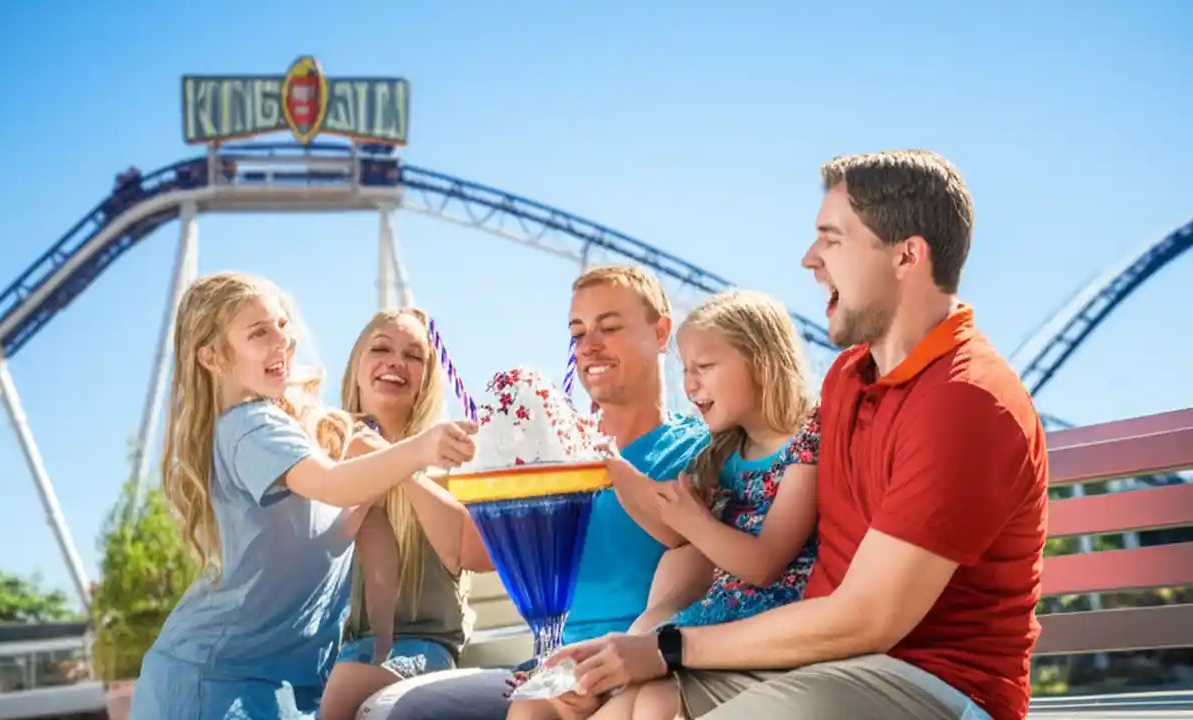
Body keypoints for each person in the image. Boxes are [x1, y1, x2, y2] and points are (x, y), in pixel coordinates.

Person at [546, 150, 1048, 720]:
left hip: (927, 683)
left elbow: (869, 618)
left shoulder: (966, 401)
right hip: (826, 665)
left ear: (907, 255)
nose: (809, 260)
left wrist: (666, 647)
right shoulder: (848, 380)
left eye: (831, 240)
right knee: (634, 705)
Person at [353, 265, 710, 720]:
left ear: (661, 333)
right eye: (578, 333)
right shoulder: (556, 454)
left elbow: (694, 556)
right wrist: (400, 462)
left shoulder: (696, 450)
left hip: (648, 666)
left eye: (610, 327)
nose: (589, 346)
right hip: (552, 672)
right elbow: (473, 547)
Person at [129, 272, 478, 719]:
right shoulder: (251, 425)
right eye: (259, 332)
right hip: (212, 682)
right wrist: (418, 449)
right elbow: (332, 483)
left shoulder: (306, 433)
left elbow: (368, 538)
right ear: (213, 357)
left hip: (278, 685)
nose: (283, 341)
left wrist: (385, 642)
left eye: (282, 325)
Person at [511, 288, 823, 720]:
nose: (690, 384)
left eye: (705, 367)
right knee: (540, 706)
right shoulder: (723, 452)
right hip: (710, 615)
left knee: (655, 702)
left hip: (760, 625)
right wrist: (611, 467)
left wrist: (693, 522)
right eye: (686, 370)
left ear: (762, 363)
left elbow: (763, 563)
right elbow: (670, 527)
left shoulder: (804, 446)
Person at [320, 308, 496, 719]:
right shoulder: (321, 464)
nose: (396, 361)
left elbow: (473, 553)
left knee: (344, 684)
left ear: (427, 379)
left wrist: (394, 460)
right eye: (380, 348)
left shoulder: (450, 461)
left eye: (414, 356)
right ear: (357, 368)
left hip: (421, 649)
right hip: (337, 650)